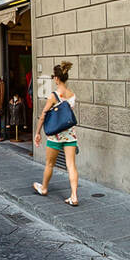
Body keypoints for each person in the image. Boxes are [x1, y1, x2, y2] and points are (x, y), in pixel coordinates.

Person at [34, 61, 80, 206]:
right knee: (71, 165)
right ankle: (74, 196)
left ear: (56, 78)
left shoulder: (53, 96)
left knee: (49, 164)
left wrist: (37, 132)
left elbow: (43, 115)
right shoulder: (72, 95)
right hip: (70, 135)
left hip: (55, 136)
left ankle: (44, 188)